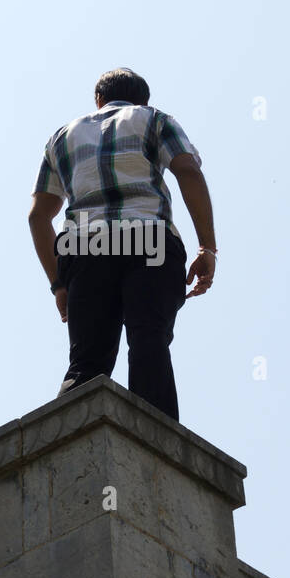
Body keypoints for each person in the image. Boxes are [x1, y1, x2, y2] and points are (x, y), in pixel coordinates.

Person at [28, 68, 217, 422]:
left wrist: (59, 284)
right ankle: (156, 444)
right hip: (149, 240)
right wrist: (207, 248)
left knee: (86, 361)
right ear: (142, 100)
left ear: (98, 99)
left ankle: (64, 443)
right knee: (148, 343)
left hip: (85, 246)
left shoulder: (61, 137)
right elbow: (188, 171)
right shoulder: (154, 119)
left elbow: (38, 217)